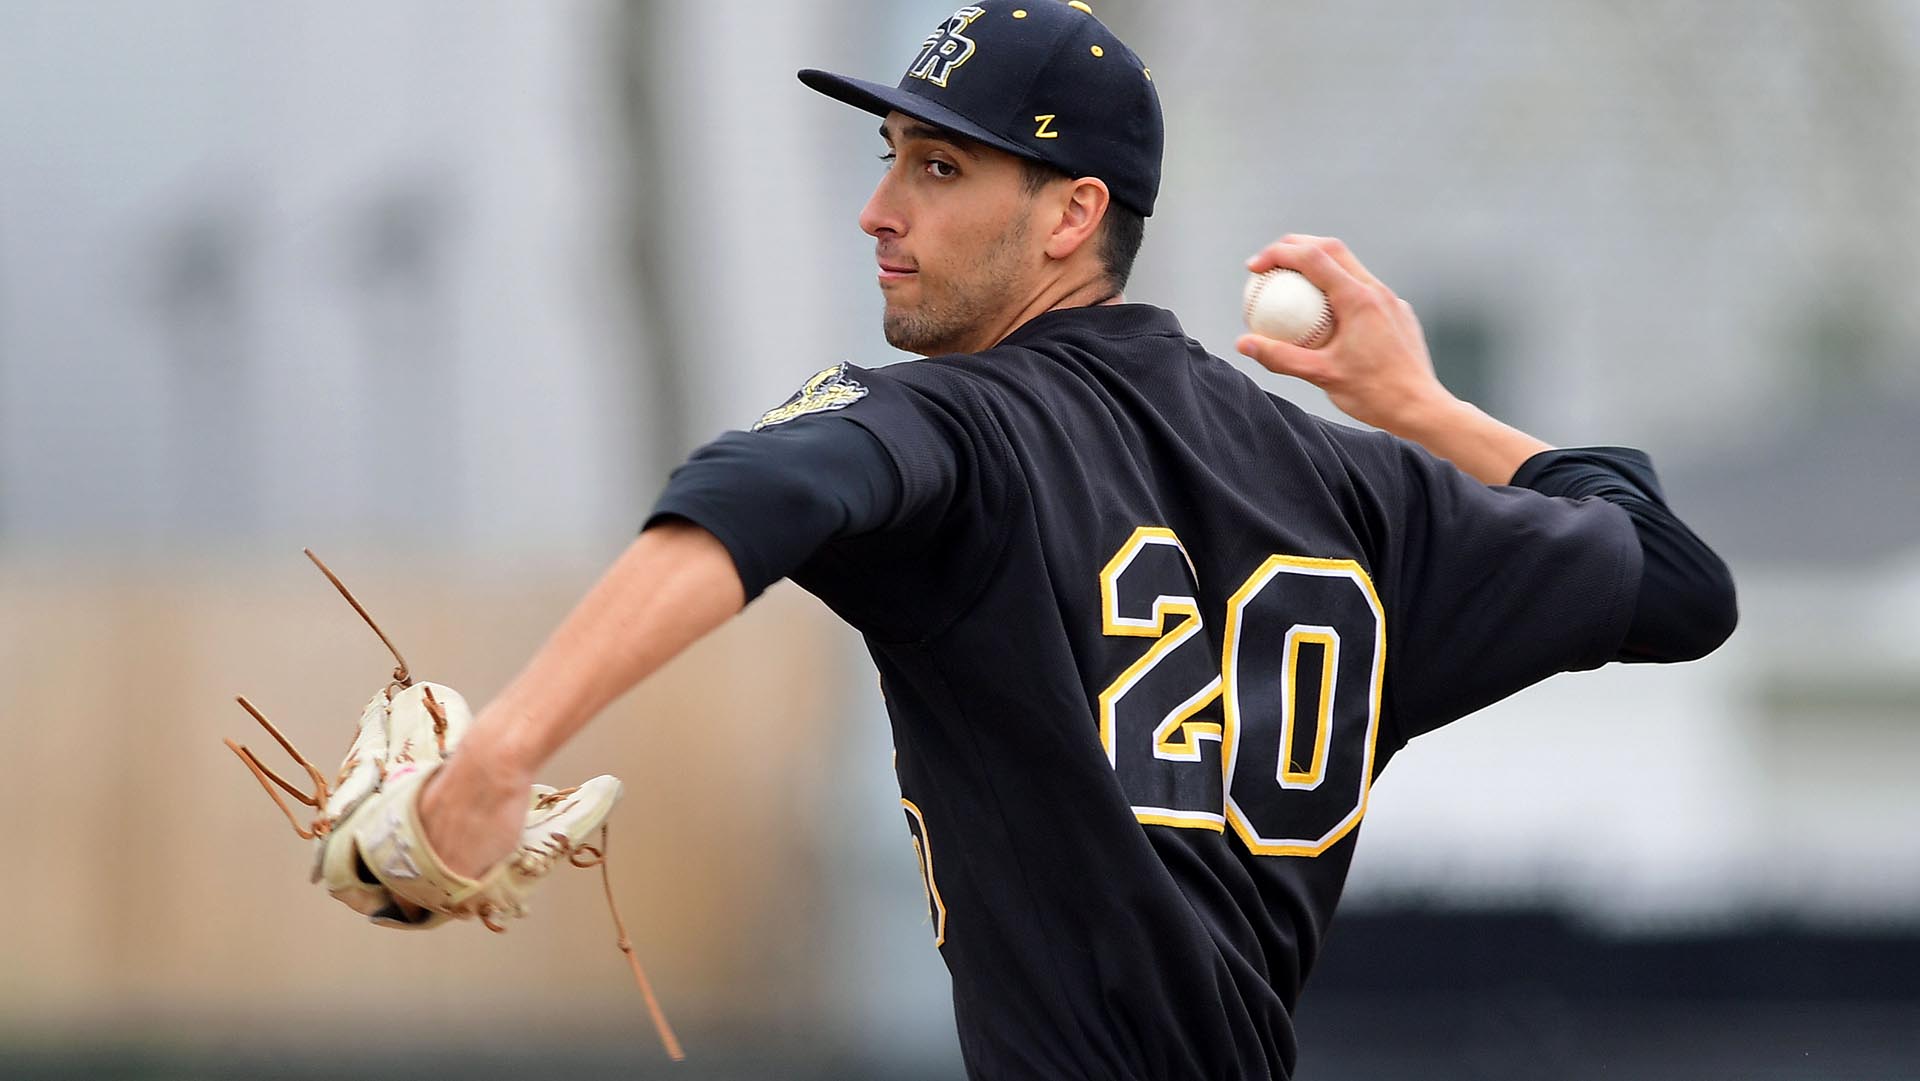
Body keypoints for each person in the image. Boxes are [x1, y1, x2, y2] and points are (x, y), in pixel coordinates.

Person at [415, 2, 1737, 1077]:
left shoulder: (960, 428)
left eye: (938, 168)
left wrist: (501, 749)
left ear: (1071, 216)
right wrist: (1421, 407)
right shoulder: (1360, 490)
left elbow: (745, 508)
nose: (881, 209)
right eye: (888, 155)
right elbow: (1677, 581)